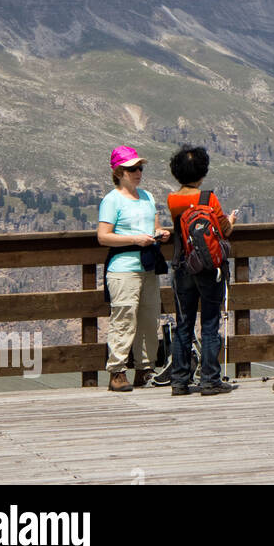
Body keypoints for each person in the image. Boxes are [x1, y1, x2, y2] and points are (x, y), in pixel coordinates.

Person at [96, 146, 171, 392]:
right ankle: (117, 371)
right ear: (119, 172)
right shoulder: (112, 200)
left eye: (140, 168)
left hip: (148, 265)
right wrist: (134, 240)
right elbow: (103, 237)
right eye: (132, 169)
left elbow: (155, 225)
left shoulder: (147, 196)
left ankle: (145, 369)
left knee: (149, 319)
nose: (138, 172)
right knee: (124, 319)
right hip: (124, 267)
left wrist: (161, 234)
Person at [166, 144, 237, 397]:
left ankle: (179, 381)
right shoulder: (208, 199)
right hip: (208, 267)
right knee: (209, 323)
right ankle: (210, 380)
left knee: (183, 324)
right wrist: (231, 221)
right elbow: (224, 230)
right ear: (202, 171)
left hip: (183, 265)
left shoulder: (173, 200)